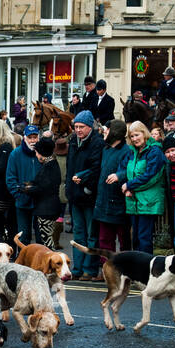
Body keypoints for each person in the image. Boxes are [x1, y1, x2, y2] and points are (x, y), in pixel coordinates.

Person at [108, 121, 165, 253]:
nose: (134, 139)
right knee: (136, 239)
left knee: (144, 238)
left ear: (144, 133)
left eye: (137, 135)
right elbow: (123, 168)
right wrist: (124, 183)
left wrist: (129, 186)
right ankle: (137, 268)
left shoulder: (154, 151)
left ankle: (146, 269)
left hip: (148, 201)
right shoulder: (131, 151)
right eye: (132, 136)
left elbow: (151, 176)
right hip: (133, 201)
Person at [66, 110, 103, 278]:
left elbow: (96, 169)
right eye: (76, 127)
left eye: (82, 127)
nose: (78, 130)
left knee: (91, 235)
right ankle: (77, 269)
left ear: (90, 127)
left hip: (89, 196)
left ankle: (89, 269)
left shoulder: (97, 143)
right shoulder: (74, 141)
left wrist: (87, 187)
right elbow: (69, 169)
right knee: (78, 234)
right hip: (75, 196)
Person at [93, 119, 131, 262]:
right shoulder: (106, 149)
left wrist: (119, 175)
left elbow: (128, 170)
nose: (104, 131)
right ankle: (107, 270)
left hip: (119, 203)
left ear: (114, 132)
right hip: (103, 202)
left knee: (124, 241)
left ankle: (126, 270)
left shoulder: (126, 151)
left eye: (107, 129)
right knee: (104, 240)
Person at [17, 136, 63, 247]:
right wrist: (28, 184)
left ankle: (50, 263)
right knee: (46, 240)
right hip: (48, 208)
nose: (36, 155)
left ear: (42, 153)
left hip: (46, 210)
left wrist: (25, 189)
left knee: (47, 242)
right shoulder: (50, 164)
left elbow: (42, 188)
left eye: (37, 152)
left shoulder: (49, 167)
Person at [6, 124, 43, 244]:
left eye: (35, 137)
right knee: (23, 238)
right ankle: (23, 262)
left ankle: (39, 263)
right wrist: (19, 196)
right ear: (24, 137)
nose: (33, 140)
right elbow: (10, 179)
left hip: (40, 202)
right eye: (30, 137)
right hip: (22, 202)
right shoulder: (15, 154)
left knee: (41, 238)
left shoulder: (43, 153)